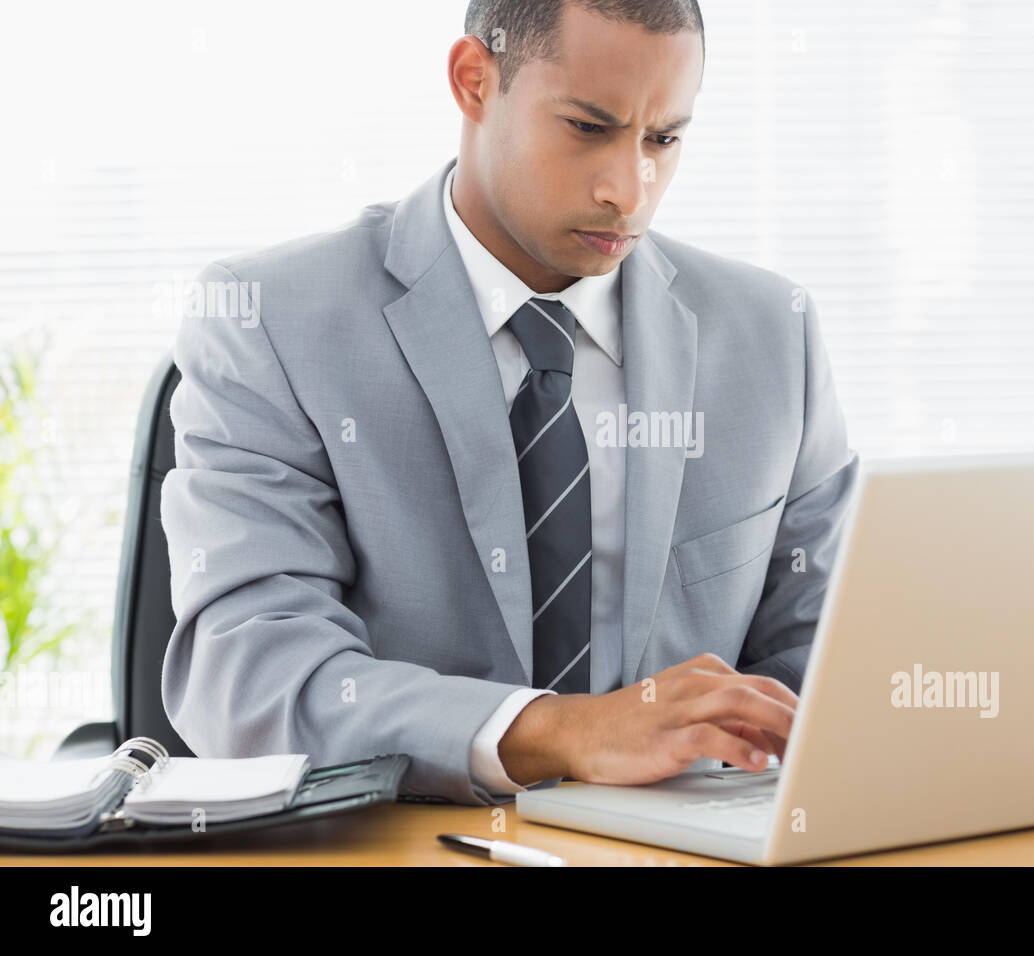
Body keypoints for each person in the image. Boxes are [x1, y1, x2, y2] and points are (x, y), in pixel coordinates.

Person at [160, 0, 859, 805]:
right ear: (474, 81)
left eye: (663, 139)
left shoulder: (774, 336)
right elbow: (247, 676)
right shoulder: (271, 321)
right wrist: (562, 732)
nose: (628, 189)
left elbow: (827, 655)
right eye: (588, 127)